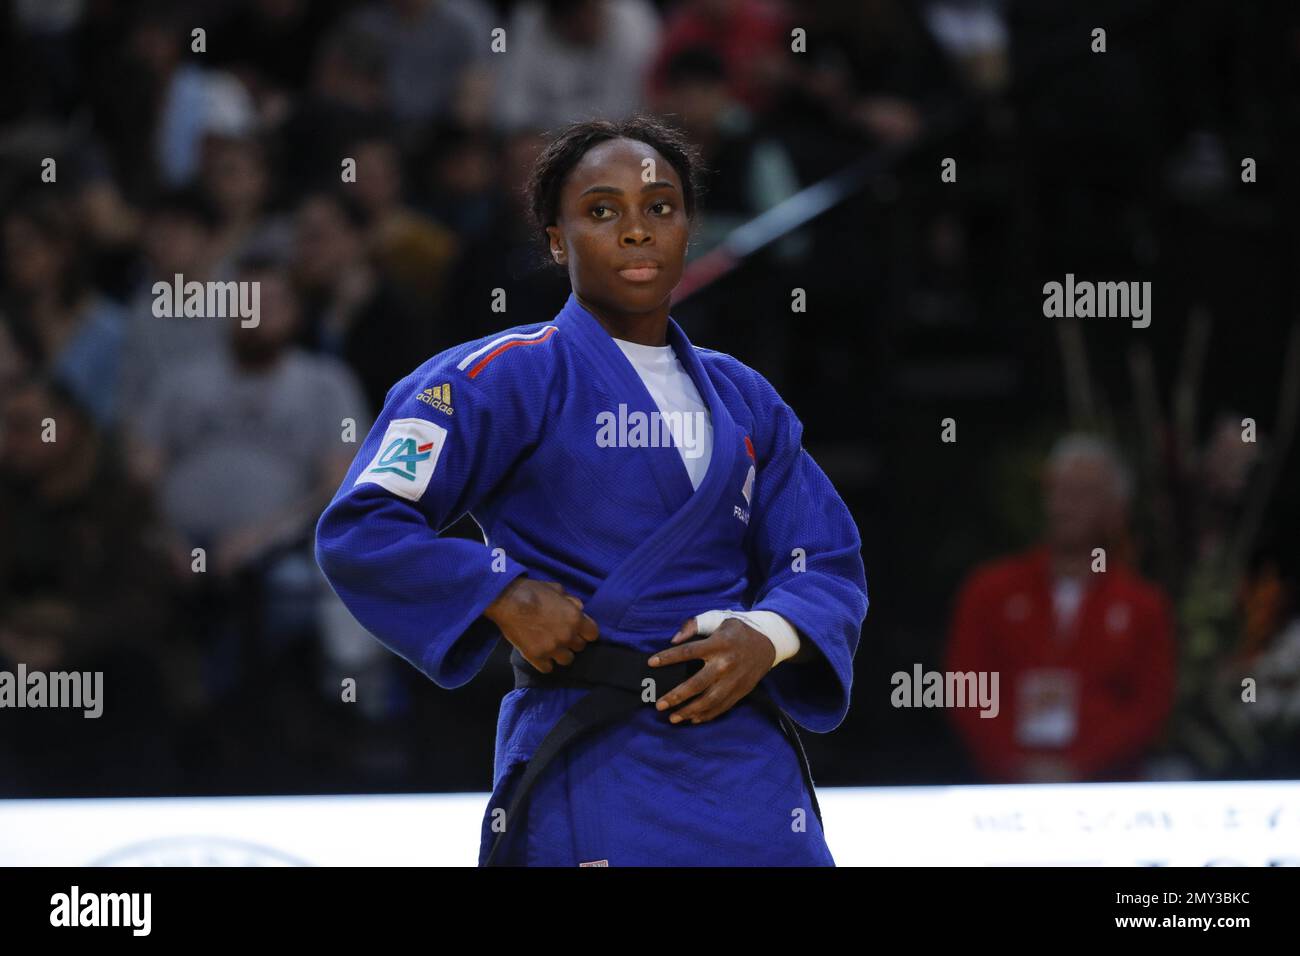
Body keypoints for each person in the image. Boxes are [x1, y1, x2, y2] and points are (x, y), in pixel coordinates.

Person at [316, 116, 868, 866]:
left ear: (688, 230)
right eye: (602, 211)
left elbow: (824, 559)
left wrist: (767, 637)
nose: (636, 232)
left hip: (743, 762)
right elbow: (362, 528)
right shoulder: (499, 377)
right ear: (554, 240)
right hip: (594, 751)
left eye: (660, 209)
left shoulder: (745, 397)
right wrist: (499, 594)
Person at [945, 434, 1176, 783]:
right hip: (1000, 790)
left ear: (1116, 510)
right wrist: (1016, 764)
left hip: (1107, 791)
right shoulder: (988, 591)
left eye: (1082, 493)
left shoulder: (1143, 605)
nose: (1064, 505)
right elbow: (965, 689)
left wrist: (1077, 767)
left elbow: (1149, 707)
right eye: (1057, 491)